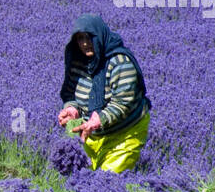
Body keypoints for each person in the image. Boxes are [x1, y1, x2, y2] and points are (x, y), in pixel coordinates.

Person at [57, 15, 152, 173]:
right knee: (79, 175)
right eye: (80, 39)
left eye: (89, 38)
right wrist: (72, 109)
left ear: (99, 36)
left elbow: (124, 102)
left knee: (108, 181)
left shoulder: (120, 63)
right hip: (93, 135)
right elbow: (72, 94)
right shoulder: (79, 62)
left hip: (125, 133)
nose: (85, 43)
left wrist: (100, 119)